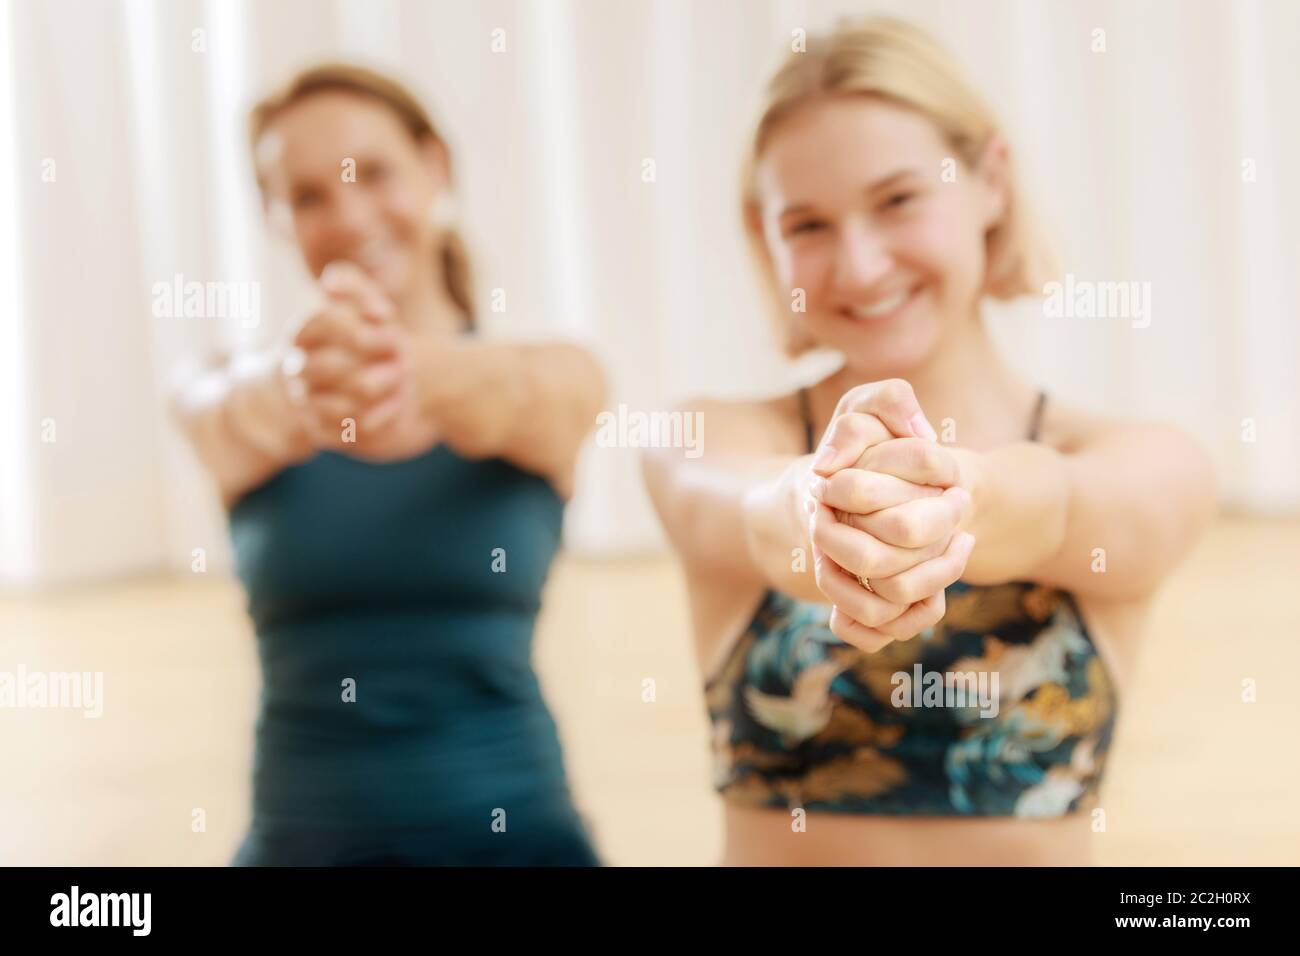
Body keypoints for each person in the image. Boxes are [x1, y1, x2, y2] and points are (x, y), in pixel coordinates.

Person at [642, 18, 1216, 865]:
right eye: (807, 225)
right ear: (764, 236)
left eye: (898, 200)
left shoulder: (1147, 460)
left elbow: (1057, 509)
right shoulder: (700, 439)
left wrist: (960, 497)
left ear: (990, 182)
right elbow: (752, 510)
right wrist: (820, 506)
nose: (863, 265)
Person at [173, 63, 605, 865]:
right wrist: (300, 382)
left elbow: (523, 394)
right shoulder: (223, 385)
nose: (349, 214)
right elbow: (222, 414)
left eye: (375, 173)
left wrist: (406, 367)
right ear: (274, 217)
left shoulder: (555, 372)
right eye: (308, 196)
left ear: (435, 166)